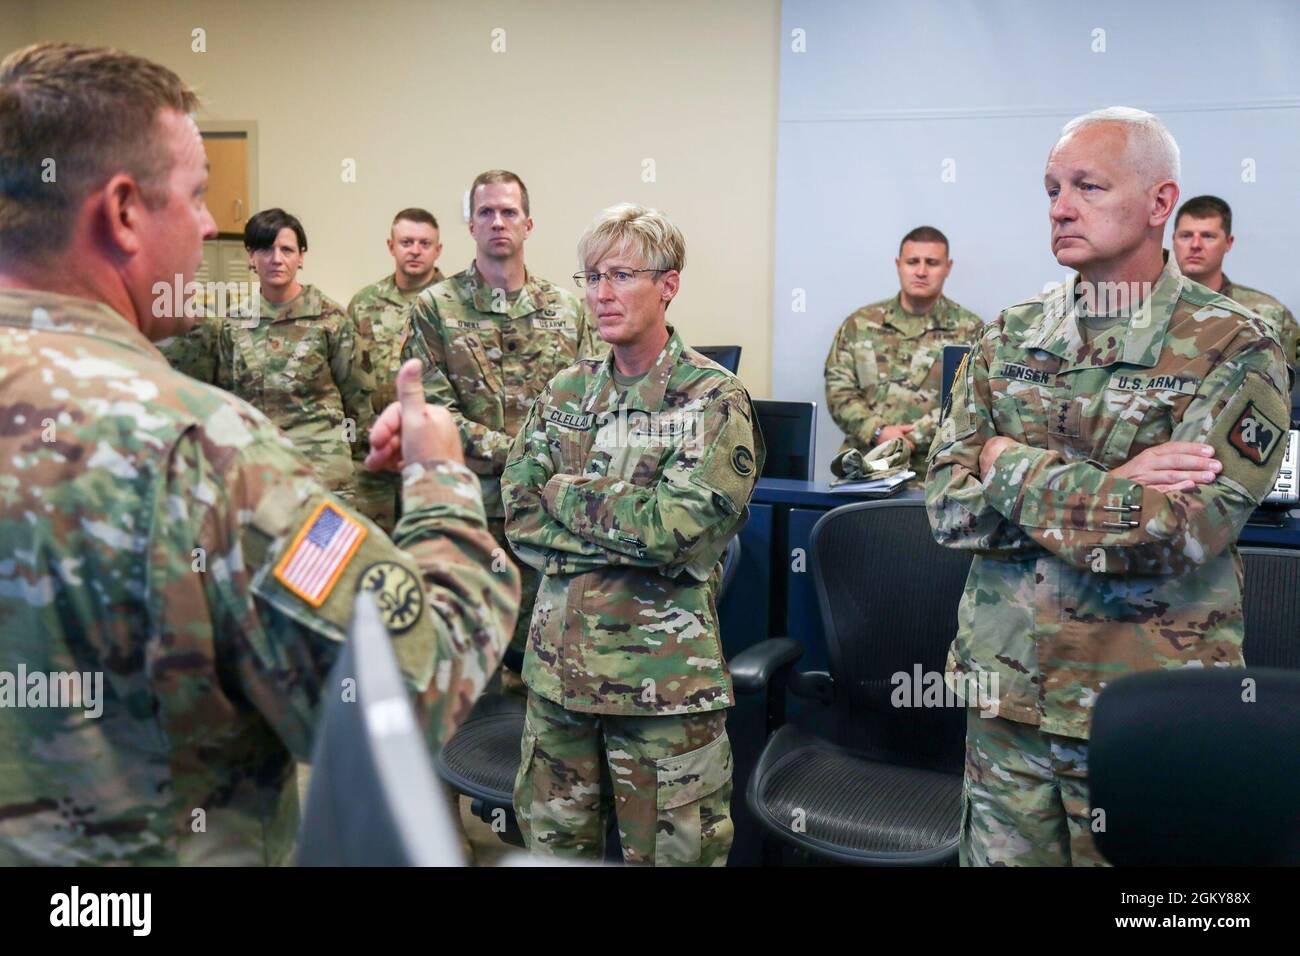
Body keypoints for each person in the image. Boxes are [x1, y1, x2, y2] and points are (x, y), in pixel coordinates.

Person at [0, 42, 519, 866]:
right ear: (124, 210)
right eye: (199, 194)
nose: (212, 225)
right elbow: (410, 682)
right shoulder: (201, 449)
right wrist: (441, 477)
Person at [925, 106, 1288, 867]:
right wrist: (1112, 482)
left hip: (1144, 709)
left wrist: (1005, 462)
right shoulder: (1009, 333)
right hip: (1008, 702)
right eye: (1053, 188)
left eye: (1088, 186)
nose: (1060, 207)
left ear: (1161, 203)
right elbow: (947, 509)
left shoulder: (1233, 344)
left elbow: (1179, 530)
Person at [501, 203, 764, 865]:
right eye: (591, 277)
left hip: (661, 693)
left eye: (621, 275)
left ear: (668, 285)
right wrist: (622, 522)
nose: (601, 294)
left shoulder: (711, 398)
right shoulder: (563, 392)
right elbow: (520, 516)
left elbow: (677, 531)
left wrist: (565, 491)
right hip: (559, 685)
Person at [401, 170, 598, 691]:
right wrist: (520, 454)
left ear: (528, 224)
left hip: (549, 517)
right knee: (468, 673)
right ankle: (459, 773)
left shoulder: (567, 311)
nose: (497, 221)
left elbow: (593, 407)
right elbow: (431, 412)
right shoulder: (435, 310)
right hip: (472, 515)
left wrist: (543, 464)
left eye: (509, 211)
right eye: (486, 212)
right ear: (470, 225)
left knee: (547, 671)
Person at [215, 208, 376, 503]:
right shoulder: (234, 322)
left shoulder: (331, 319)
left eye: (286, 249)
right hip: (258, 471)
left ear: (301, 256)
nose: (276, 259)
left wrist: (360, 468)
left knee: (326, 549)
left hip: (323, 472)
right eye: (265, 249)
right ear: (251, 256)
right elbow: (228, 398)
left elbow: (358, 400)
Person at [824, 226, 983, 476]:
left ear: (948, 267)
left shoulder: (971, 330)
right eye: (912, 262)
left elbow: (973, 399)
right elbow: (838, 390)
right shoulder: (860, 324)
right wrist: (878, 431)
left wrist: (912, 437)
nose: (921, 271)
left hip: (938, 472)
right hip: (866, 468)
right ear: (898, 264)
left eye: (931, 263)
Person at [348, 208, 446, 531]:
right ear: (391, 246)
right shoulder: (364, 303)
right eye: (406, 242)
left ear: (438, 249)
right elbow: (348, 379)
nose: (415, 250)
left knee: (432, 552)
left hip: (433, 453)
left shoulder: (452, 304)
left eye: (424, 243)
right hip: (374, 455)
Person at [1172, 194, 1299, 369]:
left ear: (1228, 243)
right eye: (1186, 236)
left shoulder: (1270, 314)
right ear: (1173, 240)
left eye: (1208, 236)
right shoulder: (1146, 308)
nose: (1195, 244)